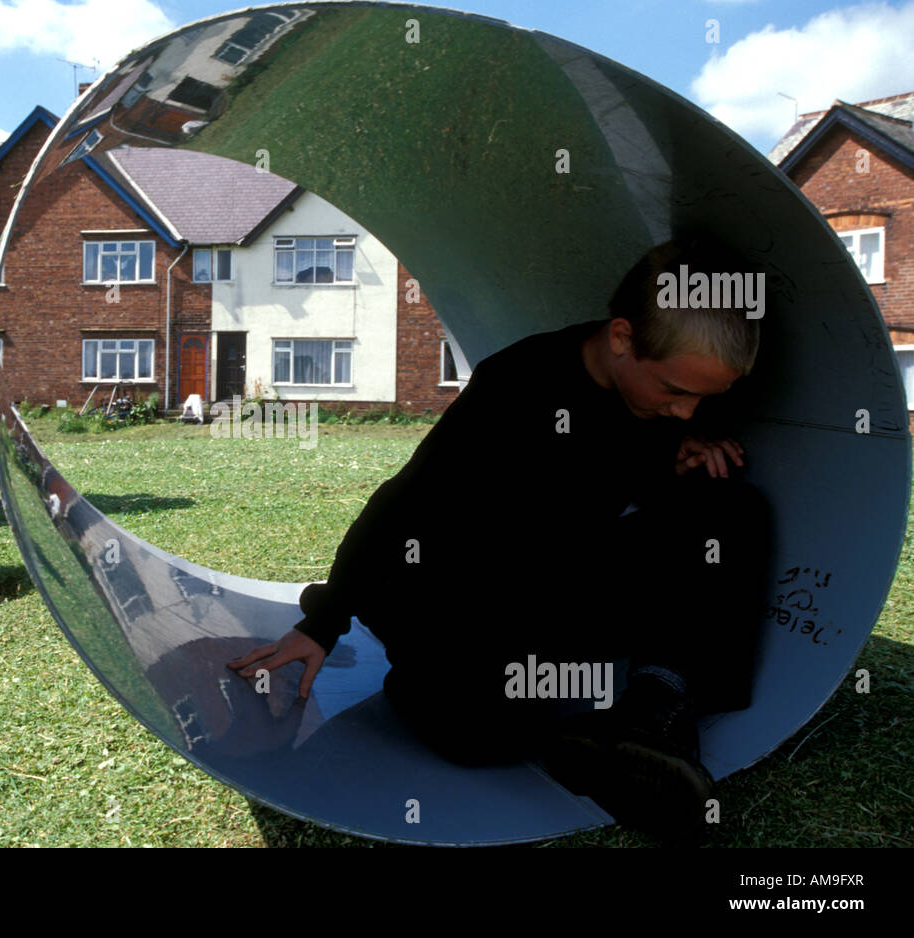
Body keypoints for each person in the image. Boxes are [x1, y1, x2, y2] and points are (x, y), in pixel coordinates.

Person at [228, 236, 772, 839]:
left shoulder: (653, 400)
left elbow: (622, 468)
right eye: (676, 392)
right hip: (462, 599)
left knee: (731, 509)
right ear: (622, 339)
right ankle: (531, 724)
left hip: (560, 583)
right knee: (476, 733)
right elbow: (402, 505)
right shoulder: (518, 388)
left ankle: (653, 711)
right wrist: (323, 622)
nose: (689, 411)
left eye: (704, 399)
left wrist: (679, 458)